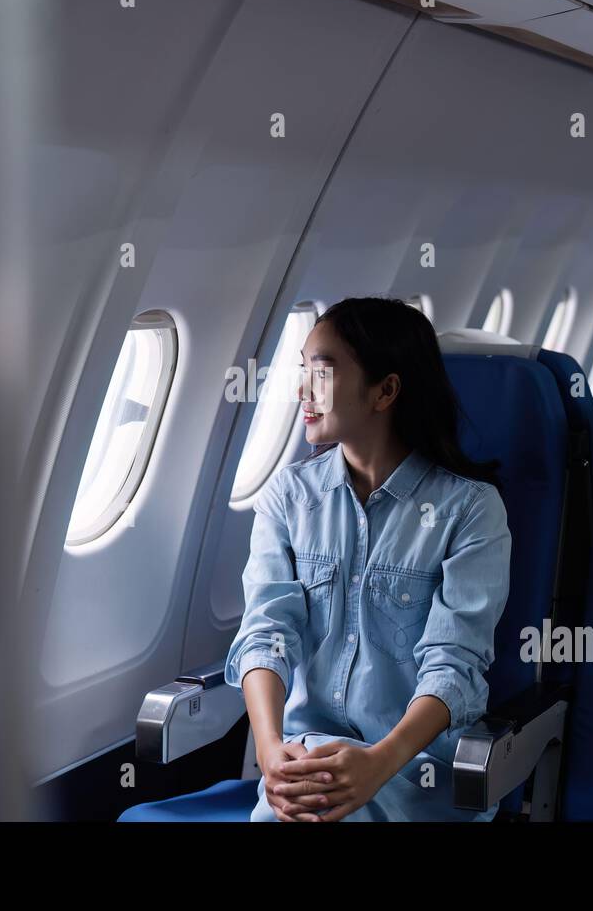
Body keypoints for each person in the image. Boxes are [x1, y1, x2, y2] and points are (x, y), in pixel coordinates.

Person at [223, 296, 512, 821]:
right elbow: (267, 633)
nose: (302, 390)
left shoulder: (469, 510)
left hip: (415, 765)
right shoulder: (289, 497)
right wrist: (270, 754)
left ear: (386, 390)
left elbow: (455, 664)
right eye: (302, 370)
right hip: (309, 754)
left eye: (322, 372)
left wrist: (378, 762)